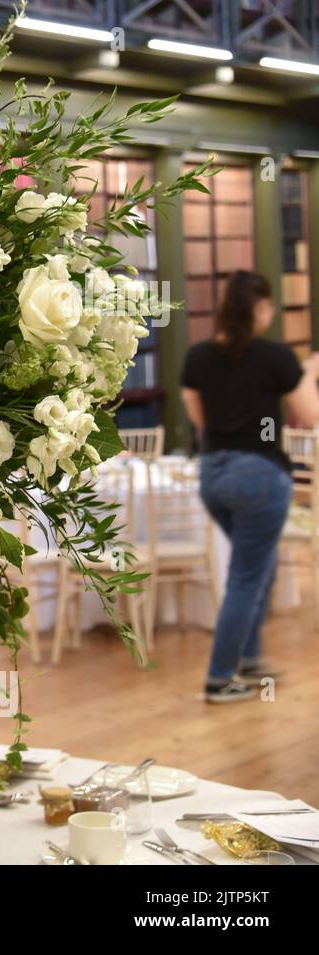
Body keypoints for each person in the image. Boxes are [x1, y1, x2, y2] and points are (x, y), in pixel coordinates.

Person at [180, 270, 319, 703]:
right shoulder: (276, 357)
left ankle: (251, 658)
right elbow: (311, 417)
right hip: (259, 476)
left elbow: (201, 420)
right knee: (246, 575)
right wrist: (309, 373)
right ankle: (221, 677)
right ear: (259, 308)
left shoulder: (198, 356)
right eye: (269, 306)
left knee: (260, 565)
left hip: (214, 475)